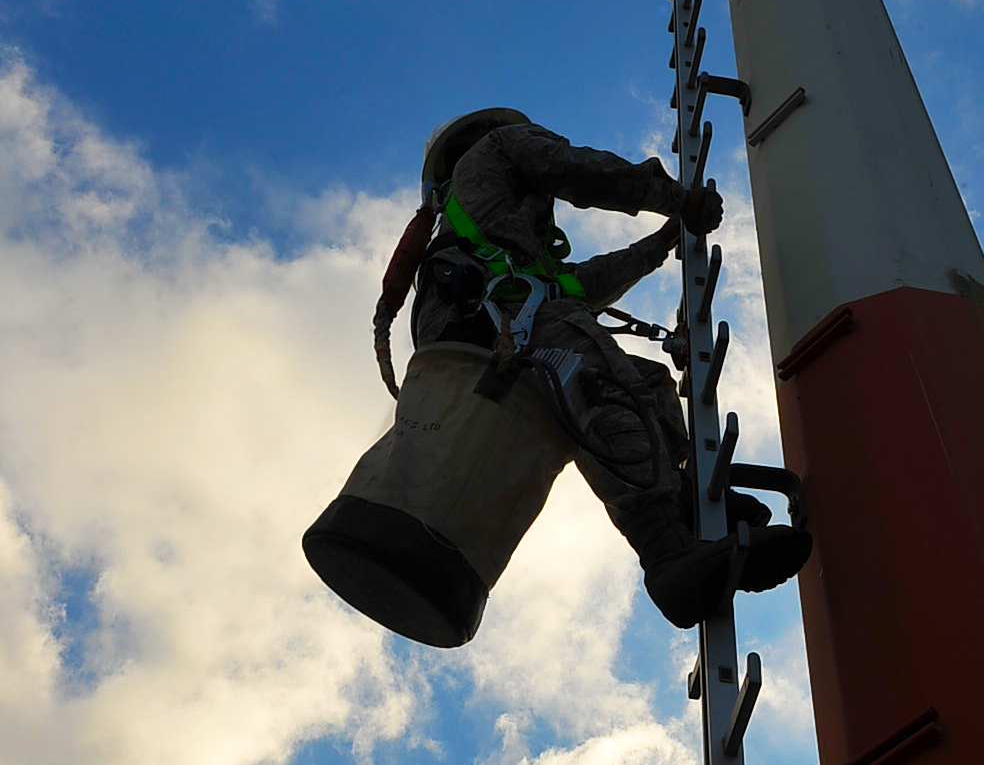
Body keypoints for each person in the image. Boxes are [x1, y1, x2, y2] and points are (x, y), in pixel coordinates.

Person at [303, 109, 810, 646]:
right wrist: (675, 199)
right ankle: (668, 553)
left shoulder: (497, 238)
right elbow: (576, 170)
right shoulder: (498, 148)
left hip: (480, 326)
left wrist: (661, 244)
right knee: (601, 382)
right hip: (497, 317)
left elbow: (576, 286)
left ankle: (681, 503)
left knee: (637, 387)